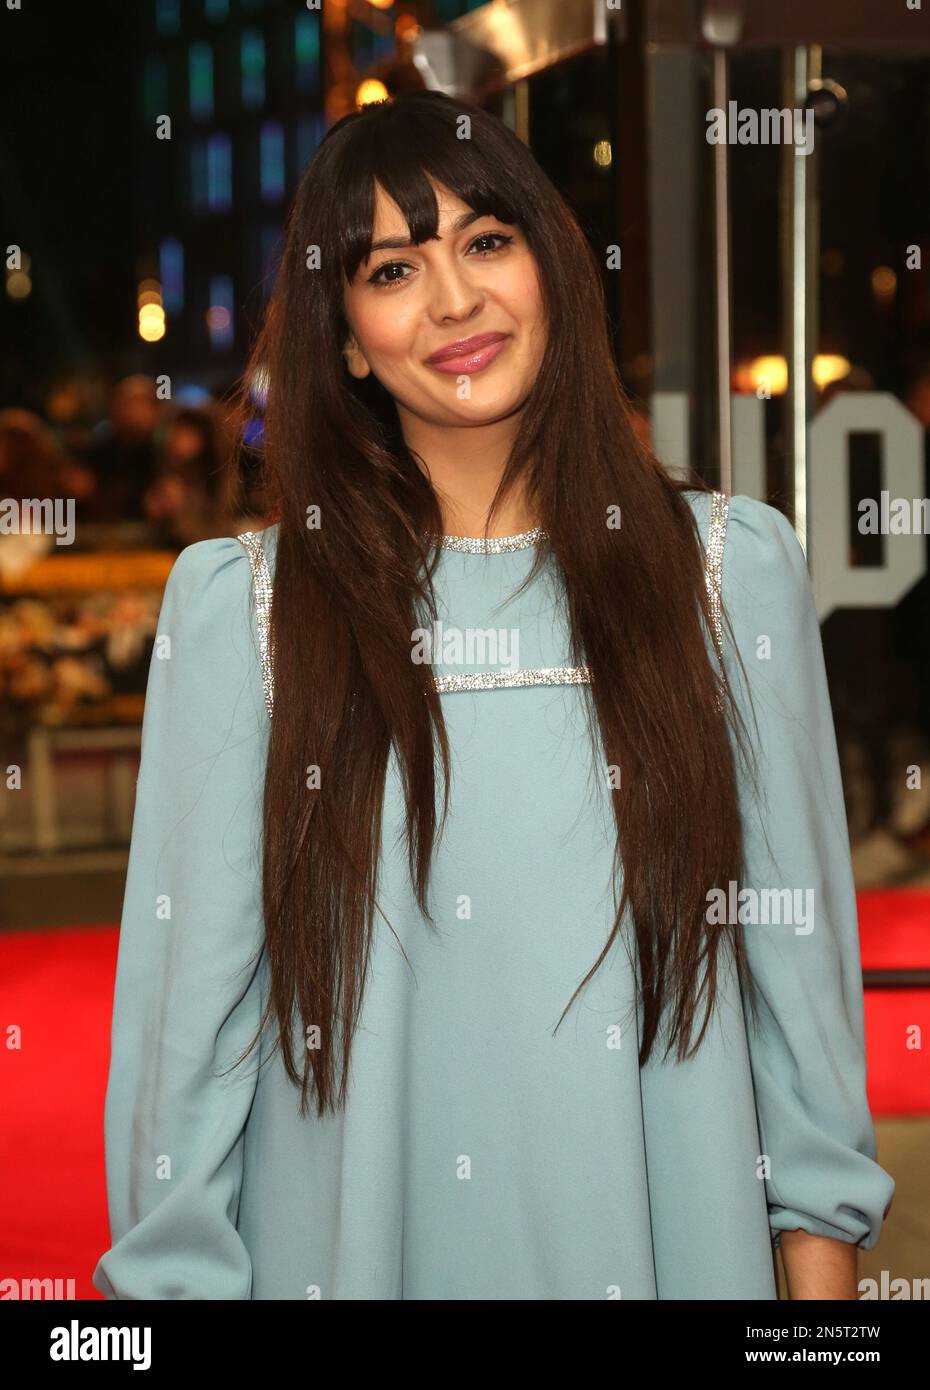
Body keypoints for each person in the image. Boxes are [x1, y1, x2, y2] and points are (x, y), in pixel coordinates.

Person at [92, 90, 894, 1301]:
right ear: (348, 336)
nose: (455, 301)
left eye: (484, 241)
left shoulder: (726, 575)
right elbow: (195, 1024)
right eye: (393, 267)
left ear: (552, 264)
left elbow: (797, 993)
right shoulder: (248, 608)